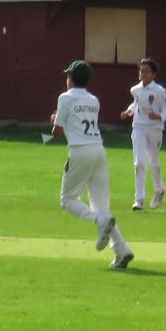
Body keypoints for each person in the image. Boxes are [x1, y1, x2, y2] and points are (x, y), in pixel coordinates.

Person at [51, 60, 135, 270]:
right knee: (102, 207)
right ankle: (122, 249)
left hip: (80, 151)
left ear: (70, 79)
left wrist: (54, 120)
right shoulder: (94, 100)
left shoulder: (65, 97)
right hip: (99, 151)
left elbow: (56, 132)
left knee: (67, 200)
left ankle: (98, 220)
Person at [119, 58, 166, 211]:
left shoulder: (159, 91)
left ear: (153, 74)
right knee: (139, 163)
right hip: (138, 127)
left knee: (153, 162)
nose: (143, 74)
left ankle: (160, 189)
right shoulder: (135, 90)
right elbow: (136, 104)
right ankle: (139, 200)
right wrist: (129, 112)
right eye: (141, 71)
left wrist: (159, 117)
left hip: (154, 129)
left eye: (147, 71)